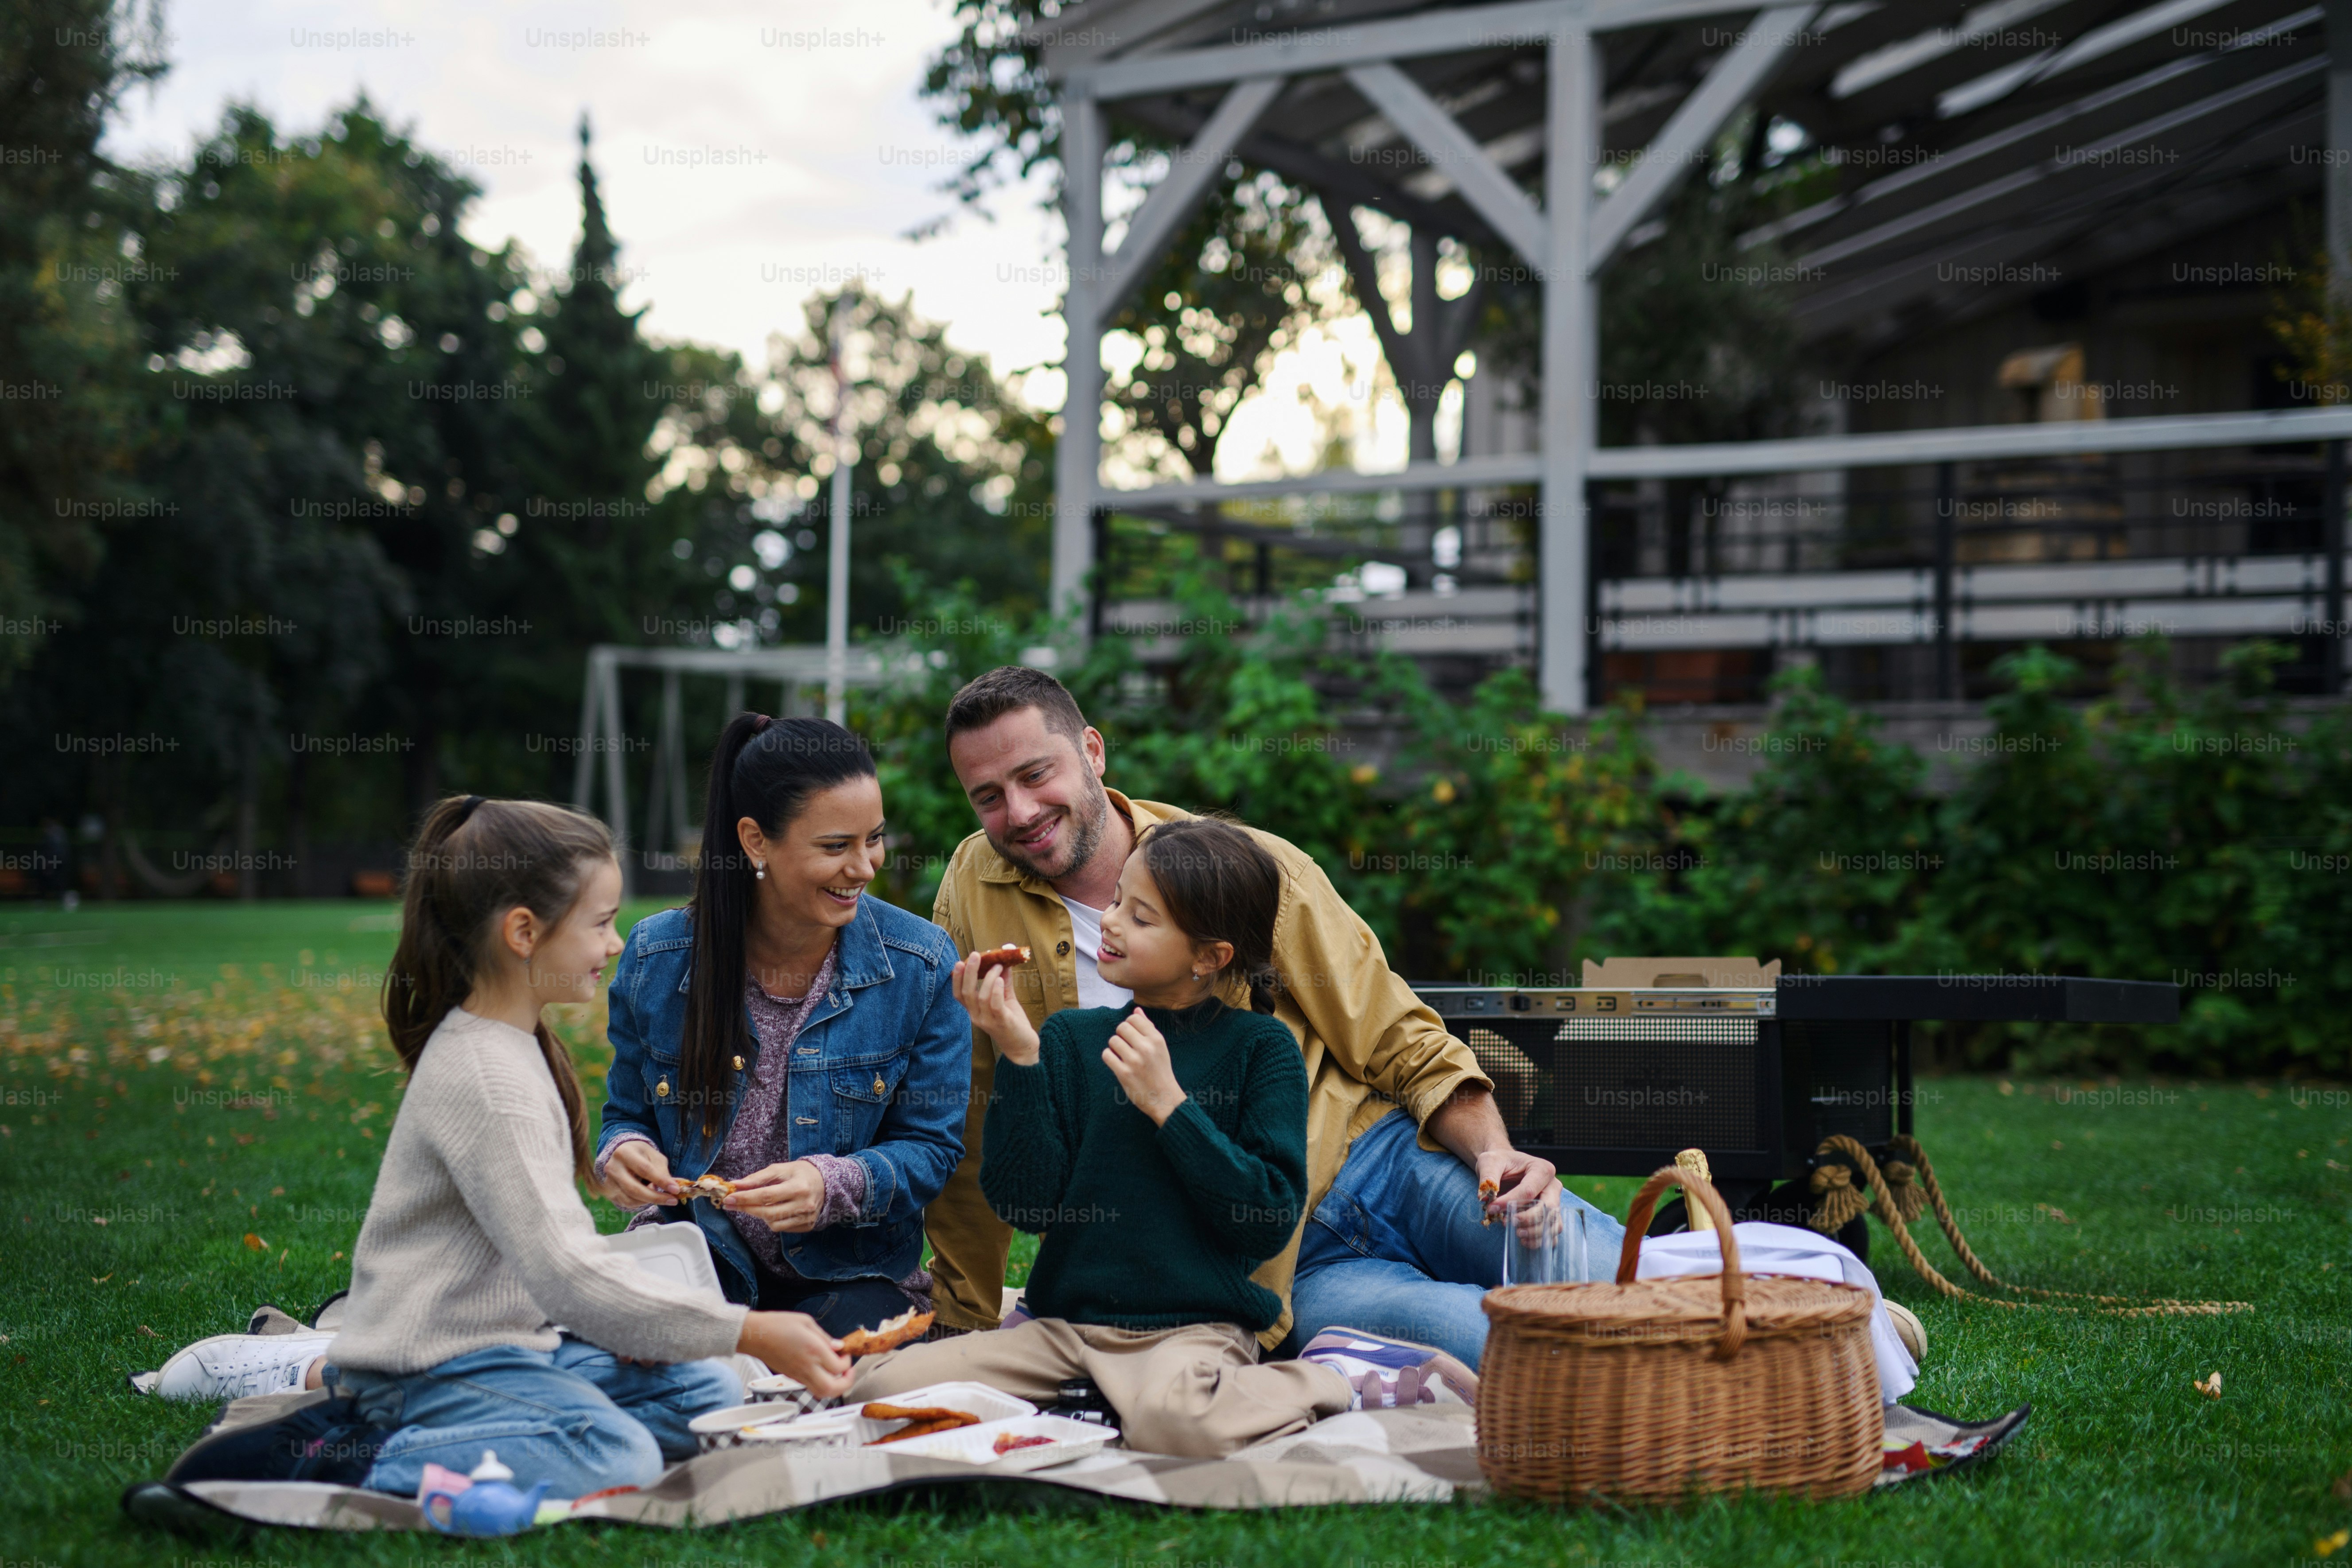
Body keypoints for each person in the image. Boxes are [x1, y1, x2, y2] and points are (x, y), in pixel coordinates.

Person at [923, 666, 1625, 1377]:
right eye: (987, 797)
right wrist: (964, 1318)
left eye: (1035, 774)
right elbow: (974, 1113)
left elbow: (1398, 1039)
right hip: (1272, 1266)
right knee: (1511, 1351)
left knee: (1624, 1284)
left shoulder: (1237, 867)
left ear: (1094, 754)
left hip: (1380, 1162)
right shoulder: (974, 891)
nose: (1018, 812)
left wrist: (1490, 1156)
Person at [163, 797, 852, 1496]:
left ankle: (503, 1429)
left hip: (511, 1350)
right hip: (426, 1372)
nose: (615, 945)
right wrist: (751, 1332)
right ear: (524, 932)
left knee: (702, 1391)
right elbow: (569, 1275)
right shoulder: (491, 1077)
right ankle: (342, 1450)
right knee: (619, 1459)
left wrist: (670, 1337)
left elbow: (551, 1274)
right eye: (601, 923)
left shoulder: (510, 1045)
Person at [850, 816, 1465, 1455]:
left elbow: (1264, 1218)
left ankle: (1334, 1374)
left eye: (1141, 918)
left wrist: (1169, 1106)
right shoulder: (1068, 1039)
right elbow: (1023, 1204)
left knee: (1180, 1429)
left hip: (1192, 1331)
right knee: (879, 1390)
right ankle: (1095, 1406)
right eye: (1117, 901)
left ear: (1209, 957)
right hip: (1064, 1329)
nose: (1110, 923)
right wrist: (1017, 1052)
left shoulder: (1261, 1050)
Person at [595, 715, 968, 1335]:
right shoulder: (657, 957)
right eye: (835, 847)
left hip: (848, 1276)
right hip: (697, 1260)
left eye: (873, 838)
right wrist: (623, 1152)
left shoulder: (921, 964)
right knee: (643, 1368)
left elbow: (933, 1149)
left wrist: (833, 1184)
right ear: (755, 841)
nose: (865, 867)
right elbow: (626, 1113)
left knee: (843, 1387)